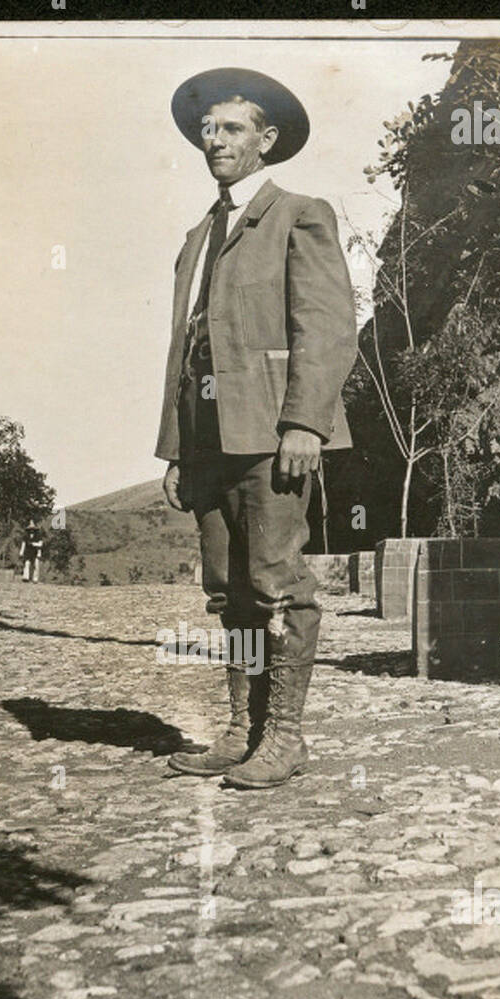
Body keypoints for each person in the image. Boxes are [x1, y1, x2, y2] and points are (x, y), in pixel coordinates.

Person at [157, 68, 358, 788]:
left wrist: (303, 422)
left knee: (278, 585)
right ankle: (242, 730)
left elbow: (328, 328)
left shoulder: (300, 214)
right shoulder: (199, 233)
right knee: (229, 592)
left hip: (272, 433)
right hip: (209, 438)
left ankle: (285, 736)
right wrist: (178, 448)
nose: (216, 141)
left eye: (232, 128)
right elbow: (189, 348)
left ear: (265, 140)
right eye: (207, 130)